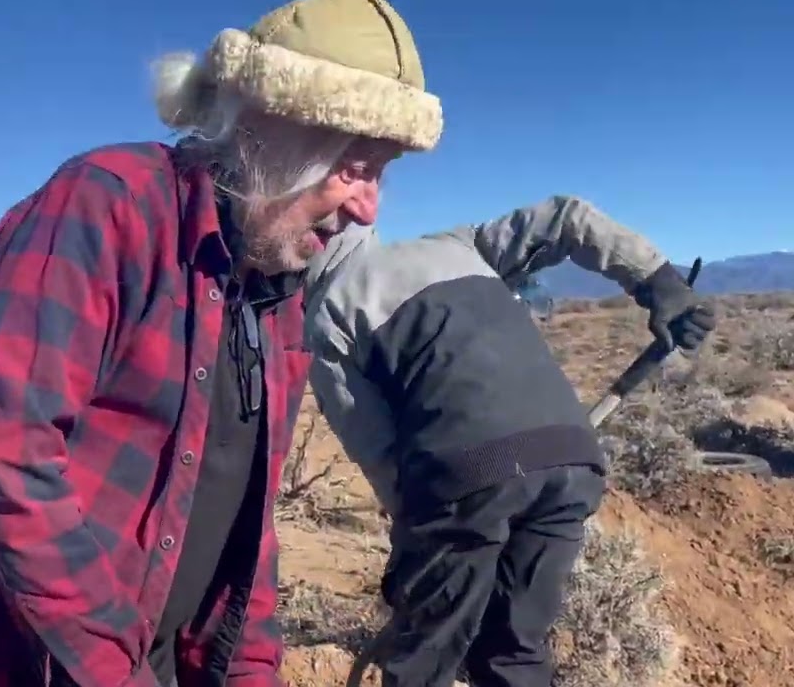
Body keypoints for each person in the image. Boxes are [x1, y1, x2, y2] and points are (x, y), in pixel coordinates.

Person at [0, 0, 444, 687]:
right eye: (356, 167)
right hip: (14, 659)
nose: (368, 209)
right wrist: (114, 672)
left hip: (147, 659)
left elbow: (250, 529)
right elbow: (2, 447)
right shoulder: (108, 205)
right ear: (276, 132)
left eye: (382, 175)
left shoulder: (277, 295)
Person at [301, 197, 716, 687]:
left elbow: (378, 449)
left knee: (424, 660)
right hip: (571, 457)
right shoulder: (460, 247)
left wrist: (414, 545)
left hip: (467, 472)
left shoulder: (328, 314)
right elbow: (566, 217)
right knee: (514, 653)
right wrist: (659, 282)